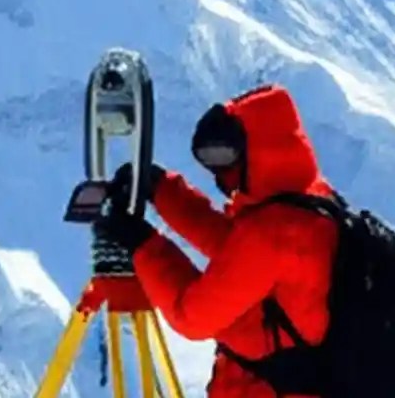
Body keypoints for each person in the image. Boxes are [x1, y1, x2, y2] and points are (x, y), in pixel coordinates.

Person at [98, 83, 338, 397]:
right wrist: (161, 190)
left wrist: (141, 244)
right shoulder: (314, 209)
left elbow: (192, 316)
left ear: (260, 152)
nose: (221, 176)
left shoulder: (272, 232)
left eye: (226, 159)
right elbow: (232, 248)